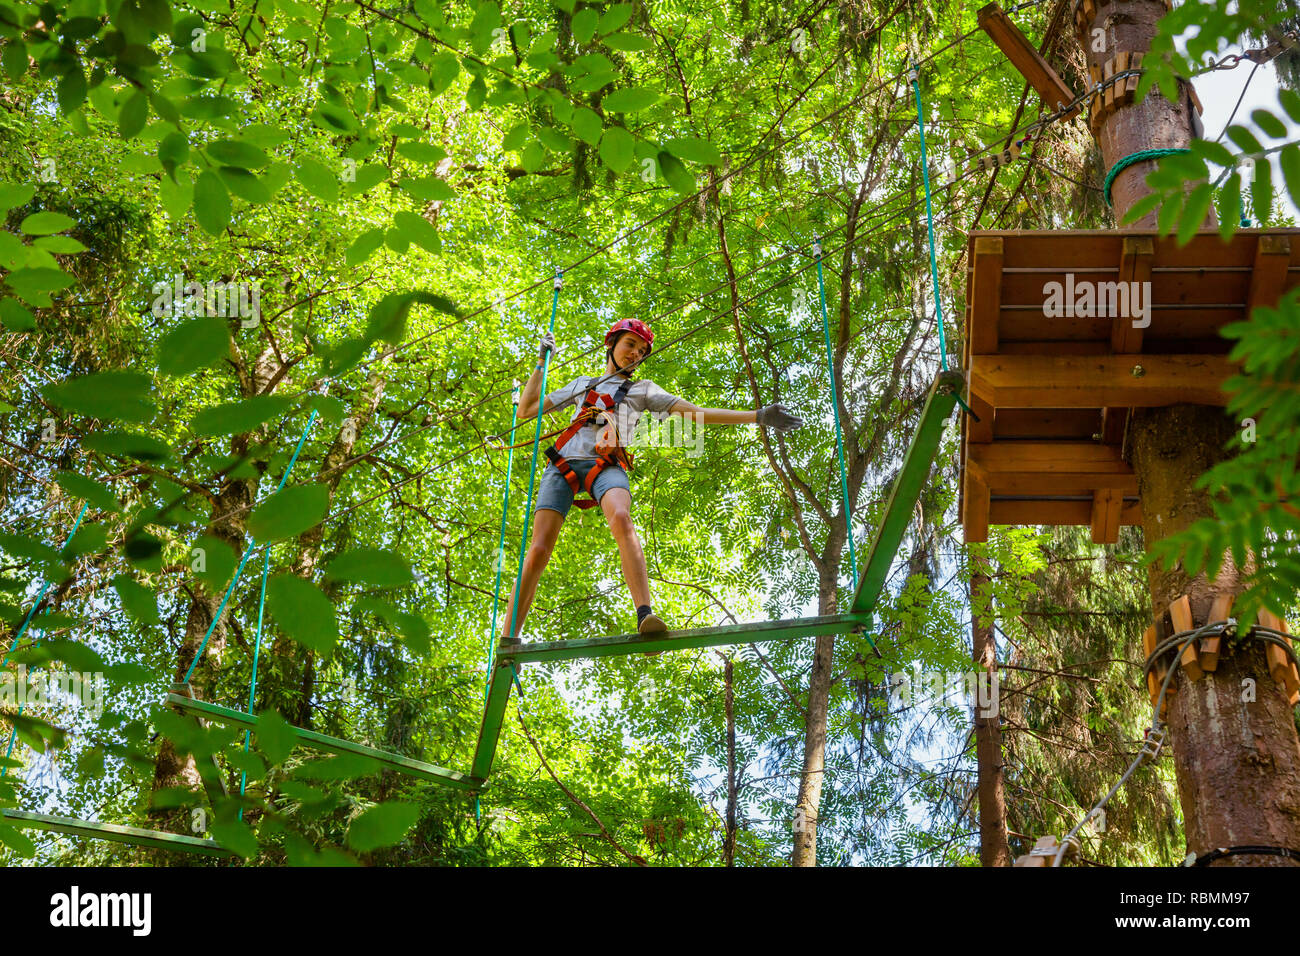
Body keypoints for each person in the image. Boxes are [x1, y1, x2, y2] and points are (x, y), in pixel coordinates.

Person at [498, 318, 803, 647]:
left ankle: (645, 613)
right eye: (630, 345)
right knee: (540, 548)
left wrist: (757, 416)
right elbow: (526, 410)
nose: (635, 354)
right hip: (563, 466)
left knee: (621, 517)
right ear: (612, 345)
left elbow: (694, 412)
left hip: (607, 464)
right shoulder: (581, 385)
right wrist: (542, 363)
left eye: (641, 351)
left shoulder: (643, 390)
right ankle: (509, 637)